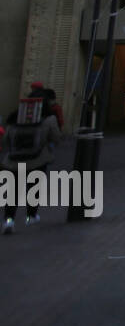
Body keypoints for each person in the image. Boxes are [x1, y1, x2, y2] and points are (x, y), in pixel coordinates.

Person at [2, 88, 63, 233]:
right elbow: (56, 138)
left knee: (13, 191)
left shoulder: (15, 118)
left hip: (14, 160)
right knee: (34, 188)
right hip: (38, 160)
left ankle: (9, 220)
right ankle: (31, 216)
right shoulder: (49, 119)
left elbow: (6, 140)